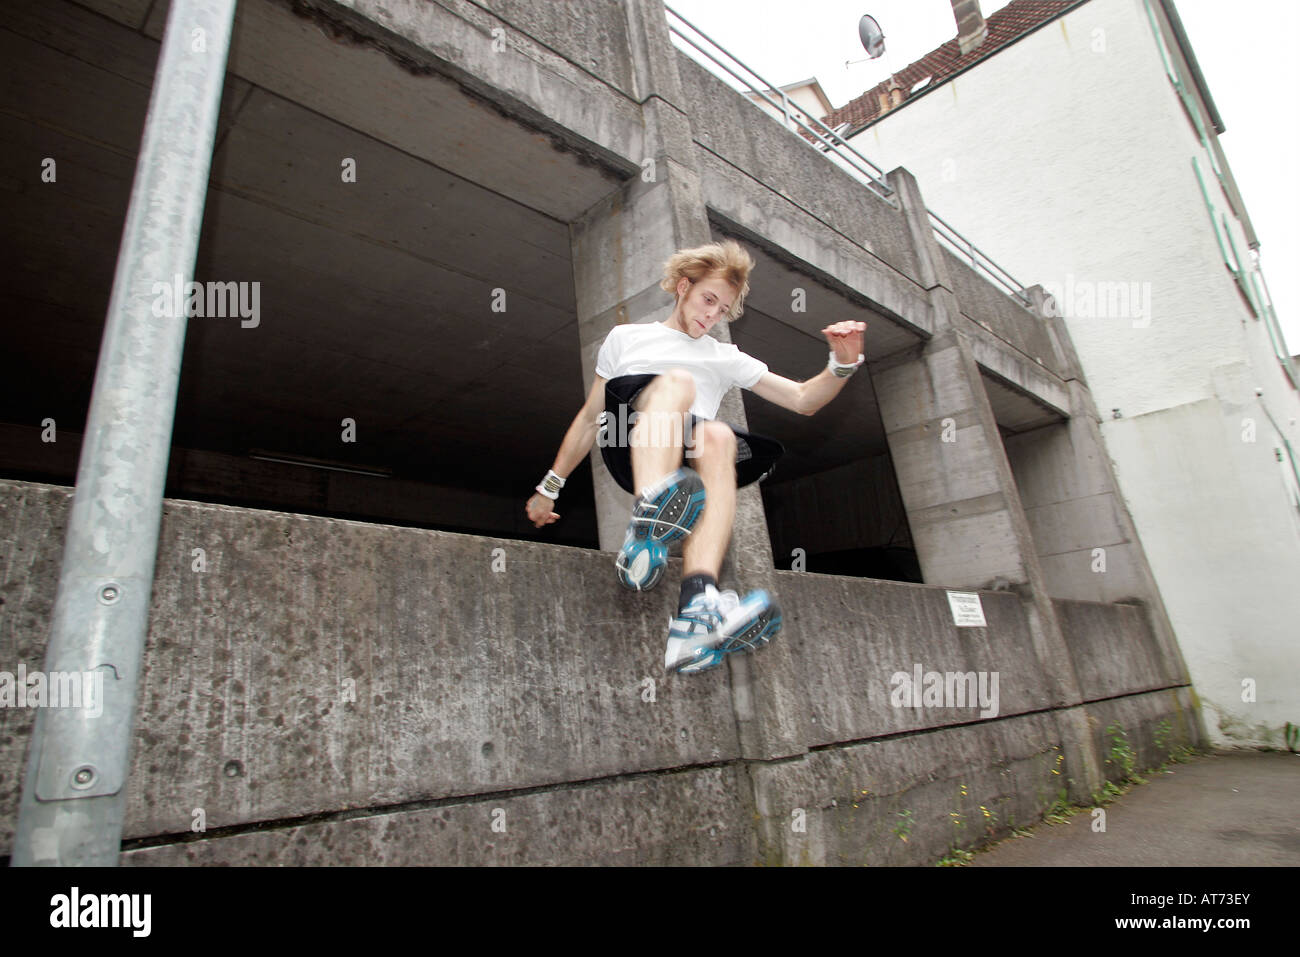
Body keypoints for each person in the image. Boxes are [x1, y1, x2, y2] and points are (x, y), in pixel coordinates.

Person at [526, 240, 866, 674]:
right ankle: (649, 515)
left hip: (687, 463)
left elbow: (802, 400)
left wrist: (841, 365)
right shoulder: (626, 338)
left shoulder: (724, 356)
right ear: (683, 287)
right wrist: (548, 488)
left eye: (722, 309)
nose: (711, 315)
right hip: (631, 441)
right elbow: (591, 418)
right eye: (708, 299)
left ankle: (696, 611)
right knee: (678, 383)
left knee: (720, 436)